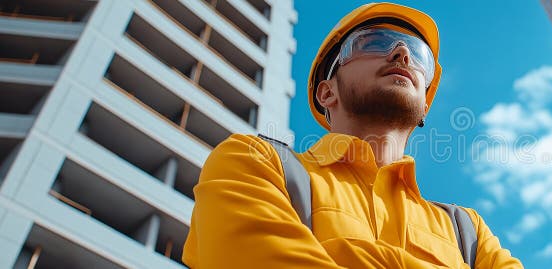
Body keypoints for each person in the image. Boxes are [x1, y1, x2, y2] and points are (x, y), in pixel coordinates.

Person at [182, 3, 522, 268]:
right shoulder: (252, 162)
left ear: (425, 108)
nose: (402, 54)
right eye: (374, 42)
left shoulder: (469, 232)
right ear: (327, 92)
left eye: (419, 56)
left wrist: (346, 255)